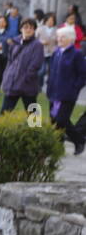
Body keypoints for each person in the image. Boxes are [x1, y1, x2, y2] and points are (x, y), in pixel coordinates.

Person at [46, 26, 86, 154]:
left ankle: (78, 139)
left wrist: (75, 88)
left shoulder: (76, 54)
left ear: (71, 39)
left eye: (62, 37)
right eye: (58, 37)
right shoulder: (56, 52)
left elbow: (82, 75)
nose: (59, 39)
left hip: (68, 94)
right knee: (54, 120)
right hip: (54, 92)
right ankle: (58, 147)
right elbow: (51, 71)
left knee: (61, 120)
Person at [0, 17, 44, 114]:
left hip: (28, 84)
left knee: (33, 116)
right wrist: (7, 75)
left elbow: (36, 64)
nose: (28, 30)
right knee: (4, 113)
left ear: (34, 30)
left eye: (31, 28)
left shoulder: (37, 45)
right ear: (21, 29)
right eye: (26, 27)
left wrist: (25, 77)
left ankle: (36, 129)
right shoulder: (14, 42)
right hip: (13, 83)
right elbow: (10, 61)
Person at [37, 13, 58, 89]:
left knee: (52, 71)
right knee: (41, 71)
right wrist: (41, 42)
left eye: (52, 21)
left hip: (53, 52)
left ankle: (50, 85)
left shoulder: (57, 30)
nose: (50, 22)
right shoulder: (40, 29)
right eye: (49, 20)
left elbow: (59, 42)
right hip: (42, 52)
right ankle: (39, 85)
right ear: (45, 21)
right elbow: (35, 40)